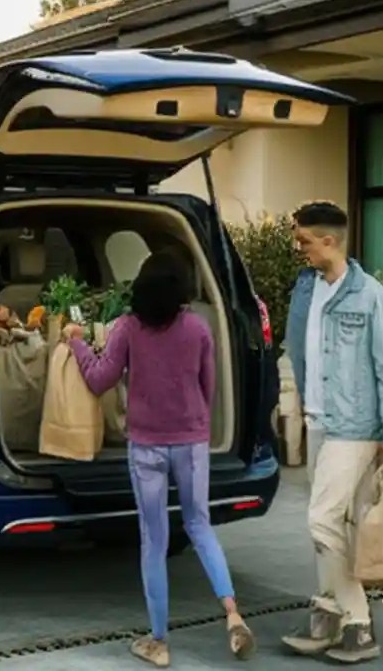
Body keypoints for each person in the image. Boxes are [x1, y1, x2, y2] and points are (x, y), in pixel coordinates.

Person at [62, 248, 256, 668]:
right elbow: (208, 387)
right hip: (192, 442)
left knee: (154, 540)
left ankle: (159, 640)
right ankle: (233, 613)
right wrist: (196, 428)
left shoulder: (129, 328)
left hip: (147, 446)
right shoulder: (199, 328)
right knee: (199, 525)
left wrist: (76, 343)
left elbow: (99, 380)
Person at [280, 201, 383, 664]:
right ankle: (328, 618)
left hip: (355, 427)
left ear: (329, 241)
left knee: (321, 518)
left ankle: (356, 621)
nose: (301, 250)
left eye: (305, 242)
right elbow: (299, 349)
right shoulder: (306, 289)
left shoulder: (370, 296)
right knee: (334, 525)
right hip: (318, 421)